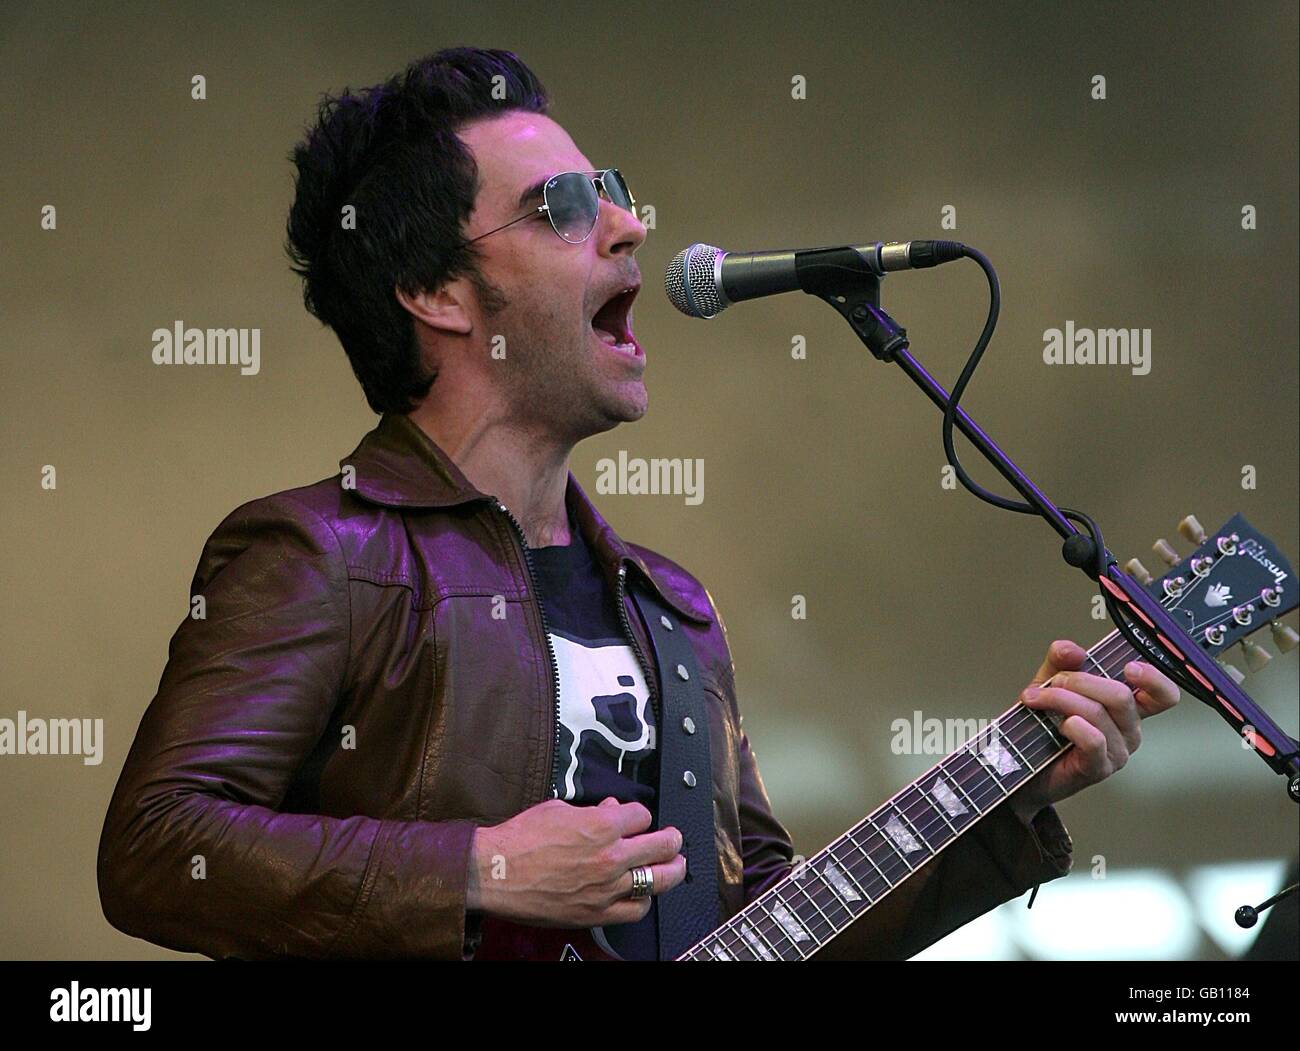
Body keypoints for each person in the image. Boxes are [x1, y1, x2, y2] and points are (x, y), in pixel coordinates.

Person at [96, 47, 1179, 961]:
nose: (627, 224)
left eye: (610, 187)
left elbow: (768, 929)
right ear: (435, 292)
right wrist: (480, 869)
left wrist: (1011, 796)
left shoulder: (672, 607)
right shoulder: (321, 550)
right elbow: (154, 846)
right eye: (563, 208)